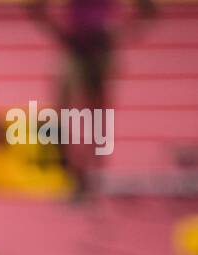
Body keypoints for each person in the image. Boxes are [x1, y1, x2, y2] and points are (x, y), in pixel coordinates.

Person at [27, 0, 157, 195]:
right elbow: (35, 8)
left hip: (100, 48)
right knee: (62, 111)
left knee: (95, 116)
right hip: (76, 48)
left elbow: (149, 11)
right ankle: (74, 172)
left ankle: (90, 177)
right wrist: (59, 33)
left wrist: (122, 34)